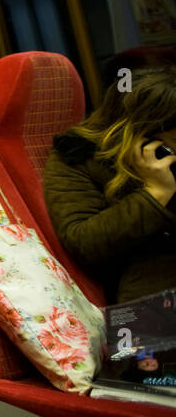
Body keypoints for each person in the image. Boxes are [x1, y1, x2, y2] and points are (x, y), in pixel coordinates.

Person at [43, 64, 176, 303]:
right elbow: (84, 243)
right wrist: (156, 192)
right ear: (143, 136)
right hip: (148, 295)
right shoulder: (77, 156)